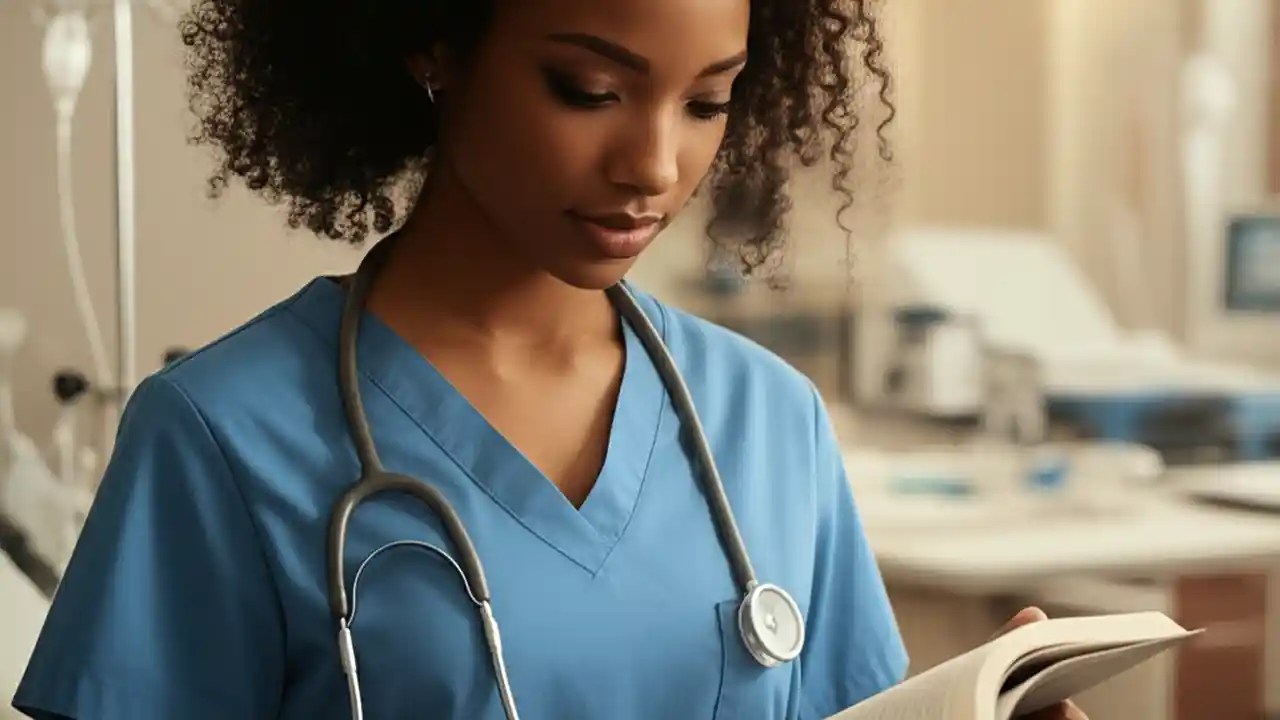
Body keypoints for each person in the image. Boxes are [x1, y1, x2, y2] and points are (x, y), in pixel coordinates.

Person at [12, 0, 1086, 718]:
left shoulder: (767, 420)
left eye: (707, 100)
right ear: (434, 42)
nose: (656, 165)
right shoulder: (223, 436)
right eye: (587, 89)